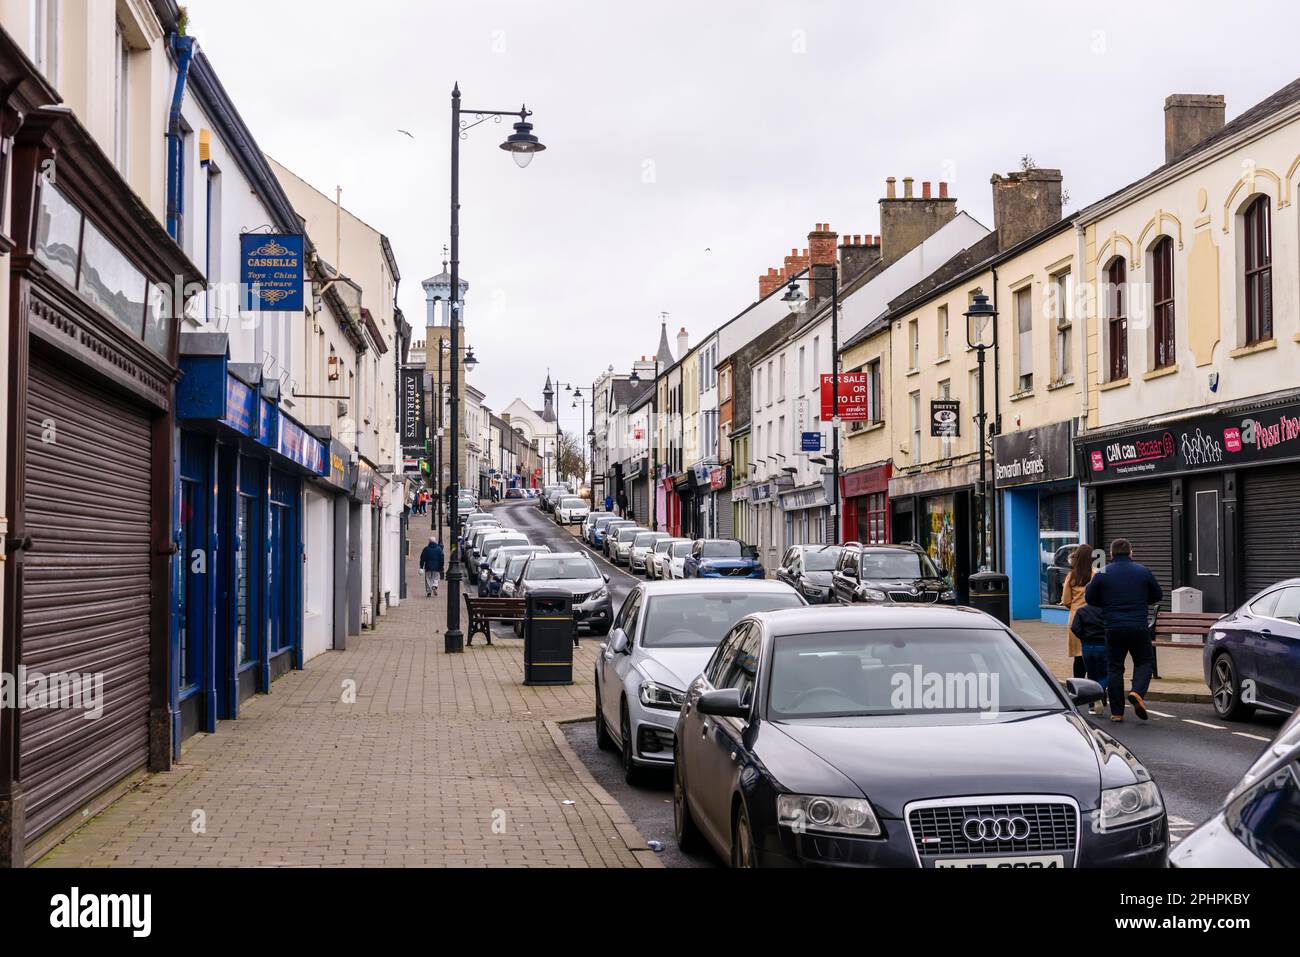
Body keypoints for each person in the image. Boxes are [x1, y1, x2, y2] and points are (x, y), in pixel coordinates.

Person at [1085, 538, 1162, 722]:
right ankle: (1137, 692)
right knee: (1144, 662)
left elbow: (1090, 598)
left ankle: (1117, 712)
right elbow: (1157, 595)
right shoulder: (1143, 571)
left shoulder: (1102, 573)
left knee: (1115, 667)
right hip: (1138, 626)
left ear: (1111, 554)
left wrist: (1106, 603)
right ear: (1131, 553)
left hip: (1113, 627)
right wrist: (1141, 600)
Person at [1059, 544, 1095, 680]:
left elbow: (1066, 600)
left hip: (1076, 618)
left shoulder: (1071, 576)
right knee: (1091, 653)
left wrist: (1074, 606)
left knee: (1078, 656)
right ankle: (1093, 686)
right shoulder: (1095, 575)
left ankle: (1078, 685)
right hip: (1092, 618)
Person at [1070, 598, 1110, 716]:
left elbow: (1074, 628)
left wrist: (1084, 637)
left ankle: (1092, 706)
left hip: (1087, 646)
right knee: (1106, 674)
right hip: (1103, 645)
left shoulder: (1081, 611)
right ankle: (1100, 691)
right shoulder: (1106, 611)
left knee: (1091, 675)